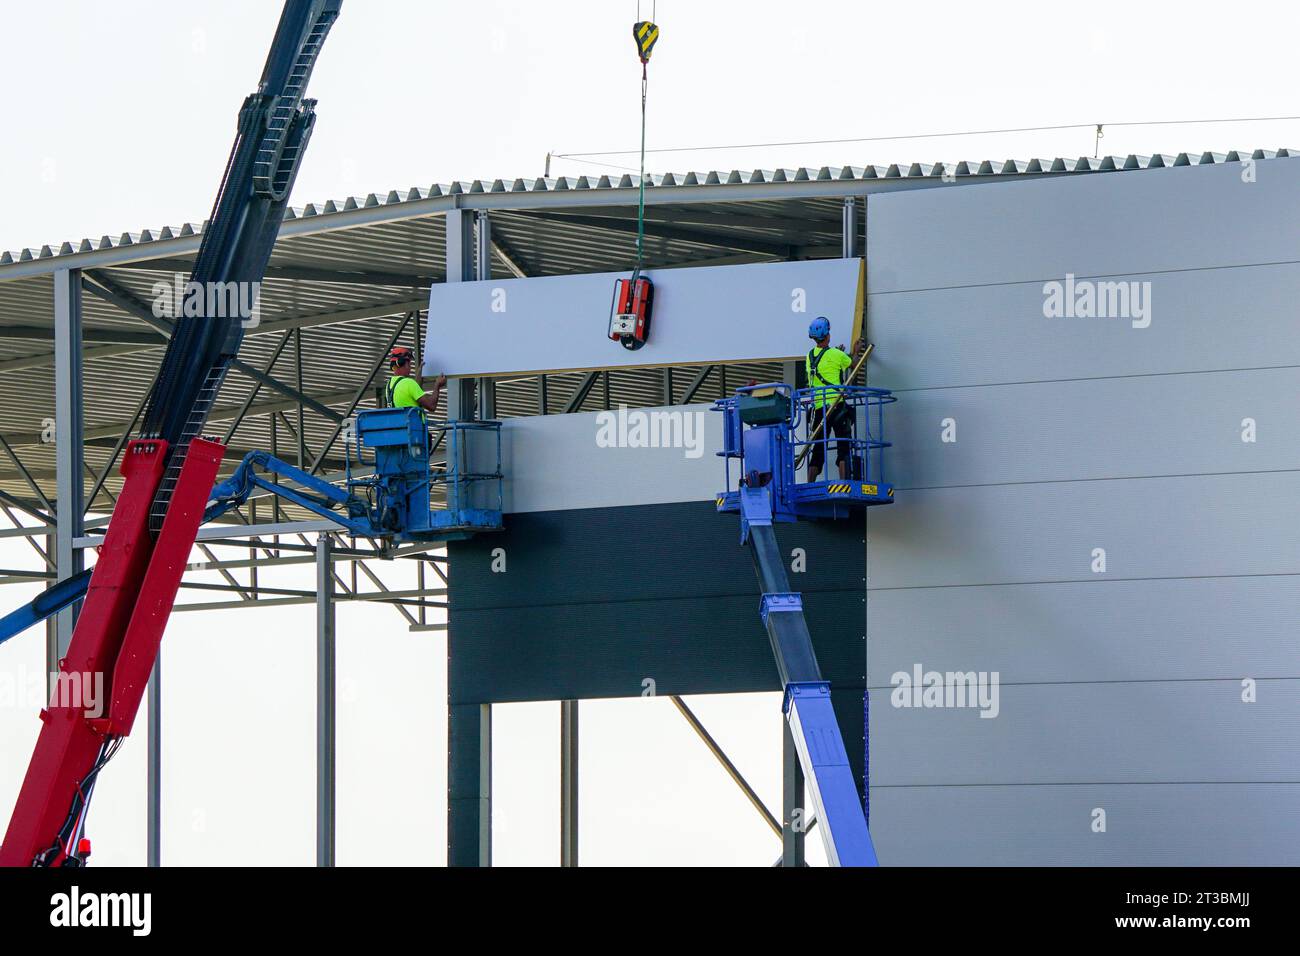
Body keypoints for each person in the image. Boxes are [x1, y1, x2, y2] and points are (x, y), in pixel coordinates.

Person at [804, 316, 864, 482]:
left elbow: (826, 365)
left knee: (818, 448)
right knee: (843, 445)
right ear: (827, 335)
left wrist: (836, 352)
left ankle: (810, 483)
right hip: (837, 407)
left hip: (819, 409)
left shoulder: (809, 357)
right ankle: (844, 482)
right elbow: (854, 364)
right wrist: (856, 351)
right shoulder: (837, 354)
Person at [385, 347, 446, 419]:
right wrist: (437, 385)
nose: (410, 367)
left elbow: (414, 391)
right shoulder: (409, 383)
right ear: (402, 363)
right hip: (415, 428)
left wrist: (420, 371)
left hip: (402, 428)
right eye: (409, 364)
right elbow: (431, 406)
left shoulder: (389, 385)